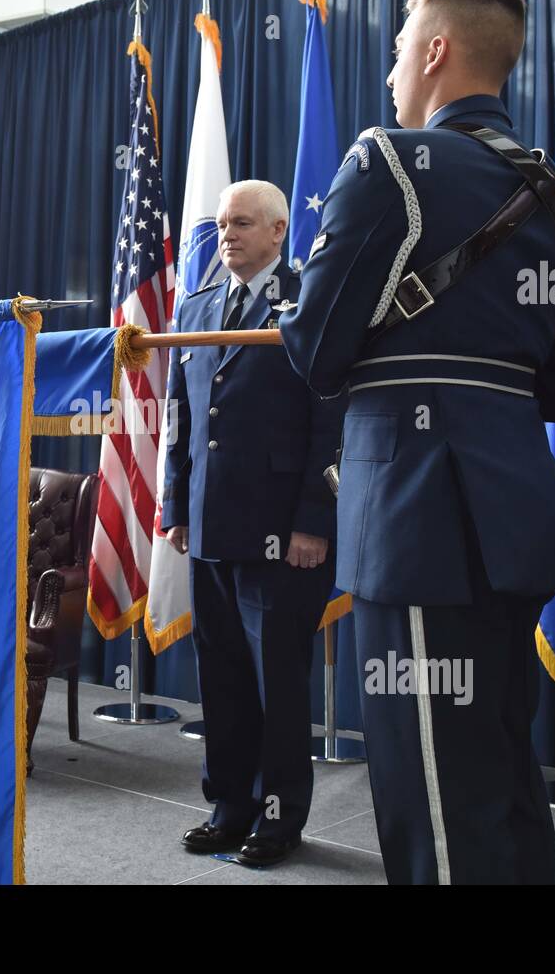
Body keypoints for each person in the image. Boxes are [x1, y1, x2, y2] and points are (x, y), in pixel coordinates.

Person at [280, 0, 555, 884]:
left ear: (434, 51)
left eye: (396, 50)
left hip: (421, 515)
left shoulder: (389, 162)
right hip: (519, 513)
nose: (390, 73)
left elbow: (312, 346)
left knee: (431, 792)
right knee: (500, 776)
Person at [161, 180, 343, 868]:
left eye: (241, 223)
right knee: (224, 681)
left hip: (284, 537)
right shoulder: (199, 306)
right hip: (209, 526)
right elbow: (181, 419)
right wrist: (176, 507)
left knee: (277, 683)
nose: (227, 233)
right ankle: (229, 808)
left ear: (277, 230)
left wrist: (311, 522)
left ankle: (278, 819)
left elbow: (330, 421)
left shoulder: (310, 303)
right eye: (220, 223)